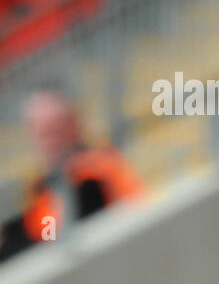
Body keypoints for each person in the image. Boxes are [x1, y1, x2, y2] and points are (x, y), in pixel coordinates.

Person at [20, 88, 144, 247]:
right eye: (44, 134)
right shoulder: (38, 193)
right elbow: (45, 243)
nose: (52, 141)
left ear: (75, 125)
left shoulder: (103, 166)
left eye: (57, 129)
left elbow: (135, 210)